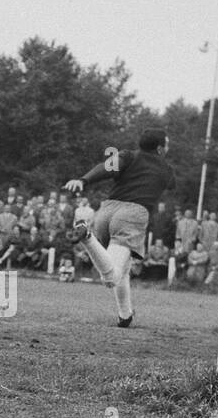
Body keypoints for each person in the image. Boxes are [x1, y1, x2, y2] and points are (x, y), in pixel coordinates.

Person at [66, 127, 176, 327]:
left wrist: (84, 180)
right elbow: (171, 184)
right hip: (132, 215)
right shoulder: (166, 170)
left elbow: (106, 168)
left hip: (106, 212)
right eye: (166, 145)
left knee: (123, 269)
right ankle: (87, 237)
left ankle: (125, 315)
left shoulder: (129, 156)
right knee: (111, 277)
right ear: (160, 149)